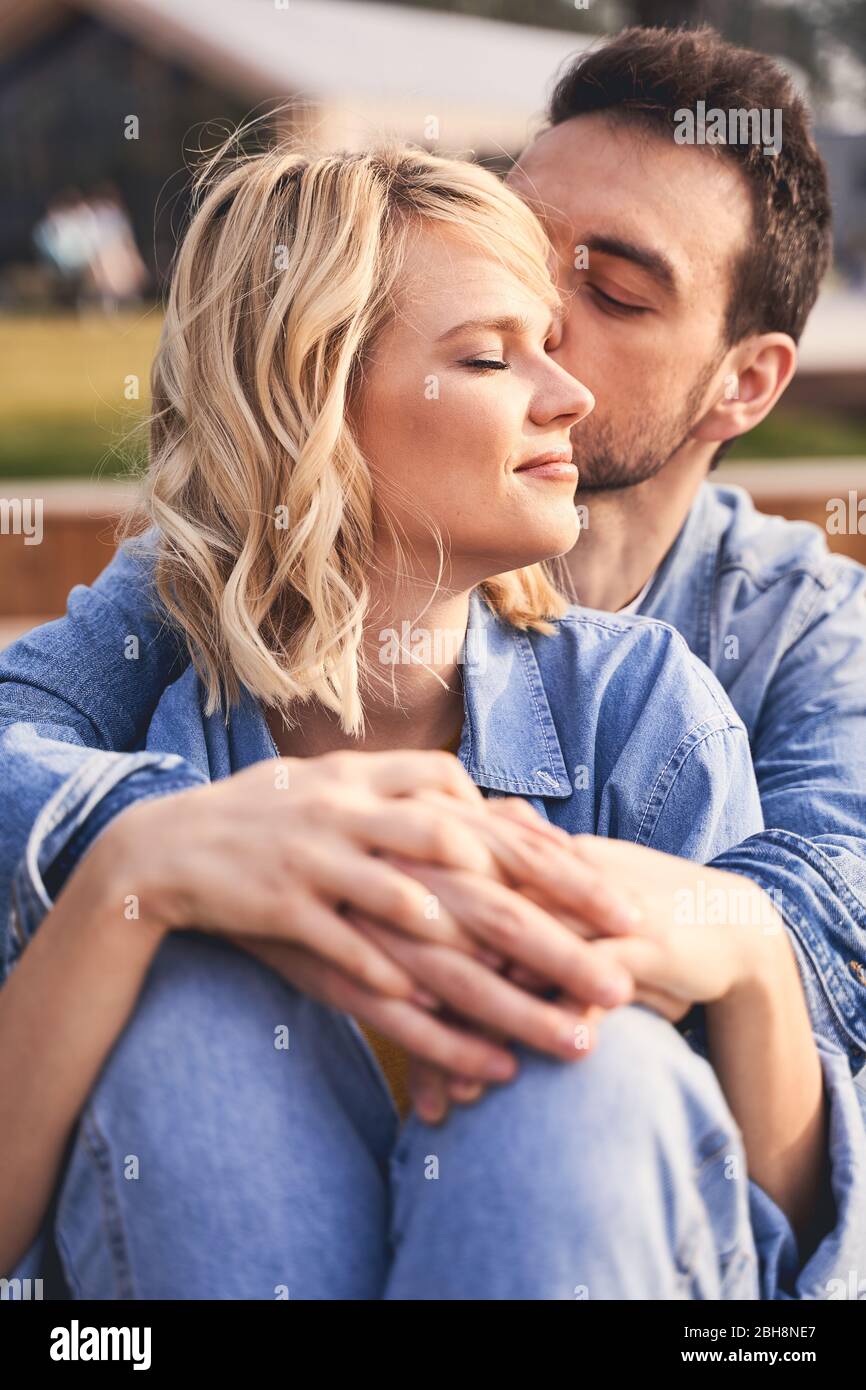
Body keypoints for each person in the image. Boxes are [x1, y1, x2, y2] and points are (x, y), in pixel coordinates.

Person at [0, 146, 863, 1297]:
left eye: (567, 334)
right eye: (492, 357)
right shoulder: (143, 706)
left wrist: (747, 945)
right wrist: (129, 870)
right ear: (305, 406)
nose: (570, 395)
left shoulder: (653, 706)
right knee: (189, 1024)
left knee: (582, 1074)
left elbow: (760, 1272)